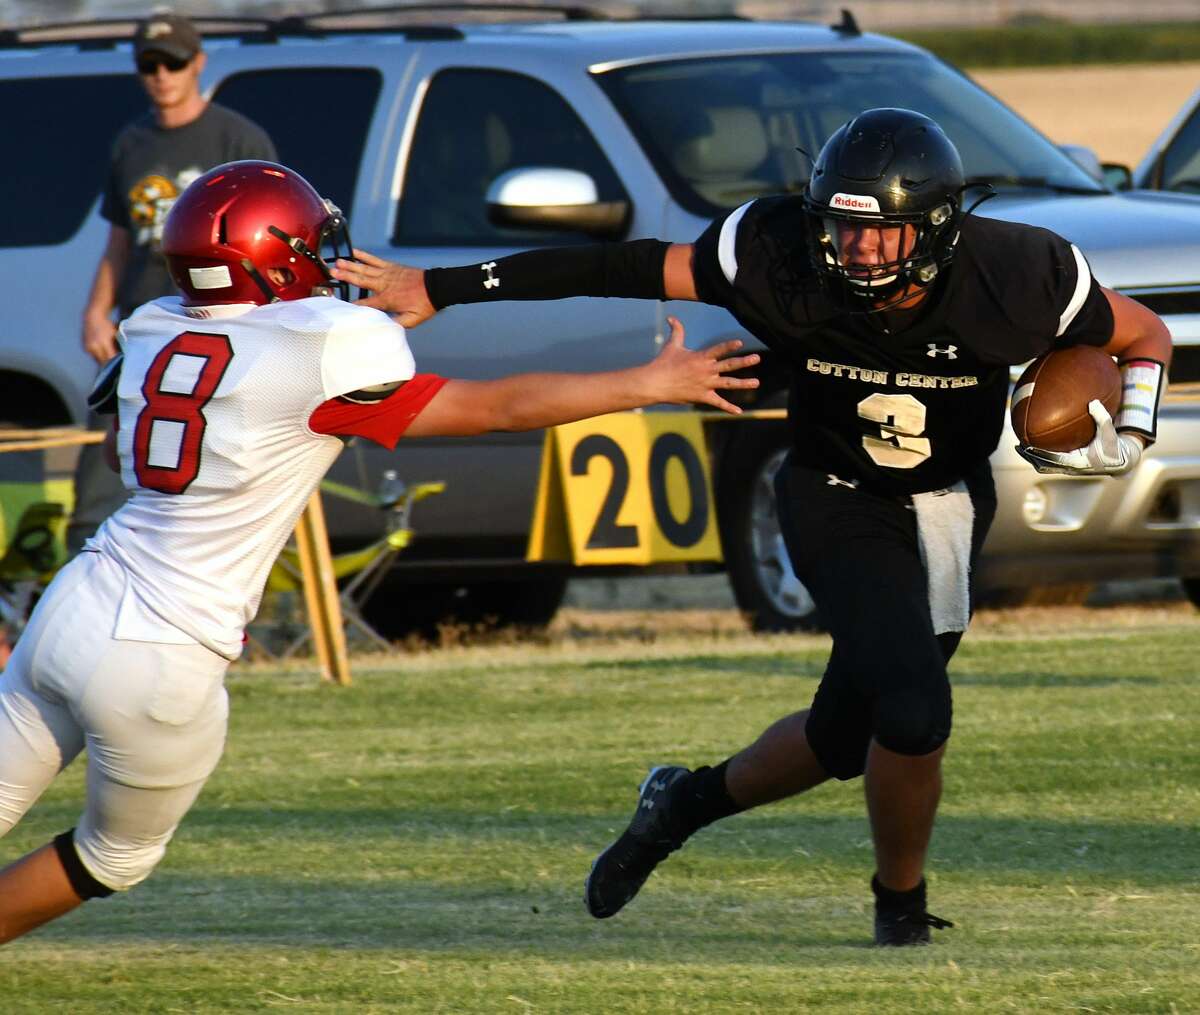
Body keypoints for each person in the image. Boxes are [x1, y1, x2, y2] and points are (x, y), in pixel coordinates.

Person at [329, 107, 1173, 945]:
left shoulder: (1017, 275)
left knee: (845, 736)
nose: (860, 251)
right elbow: (616, 264)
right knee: (914, 711)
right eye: (845, 231)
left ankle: (681, 803)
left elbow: (1148, 334)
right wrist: (439, 286)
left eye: (884, 234)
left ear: (942, 228)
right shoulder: (777, 254)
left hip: (947, 503)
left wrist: (1126, 435)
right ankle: (900, 908)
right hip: (834, 491)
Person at [0, 160, 758, 947]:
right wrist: (646, 380)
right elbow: (493, 406)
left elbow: (243, 384)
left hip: (78, 601)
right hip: (164, 652)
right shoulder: (331, 345)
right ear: (279, 257)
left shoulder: (156, 323)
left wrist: (354, 337)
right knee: (110, 856)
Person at [70, 12, 276, 555]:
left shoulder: (237, 136)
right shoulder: (131, 142)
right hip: (143, 324)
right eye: (149, 64)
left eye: (174, 62)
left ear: (199, 63)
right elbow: (121, 237)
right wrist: (97, 311)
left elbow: (270, 236)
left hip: (217, 324)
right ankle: (82, 577)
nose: (162, 74)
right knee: (105, 465)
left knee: (212, 460)